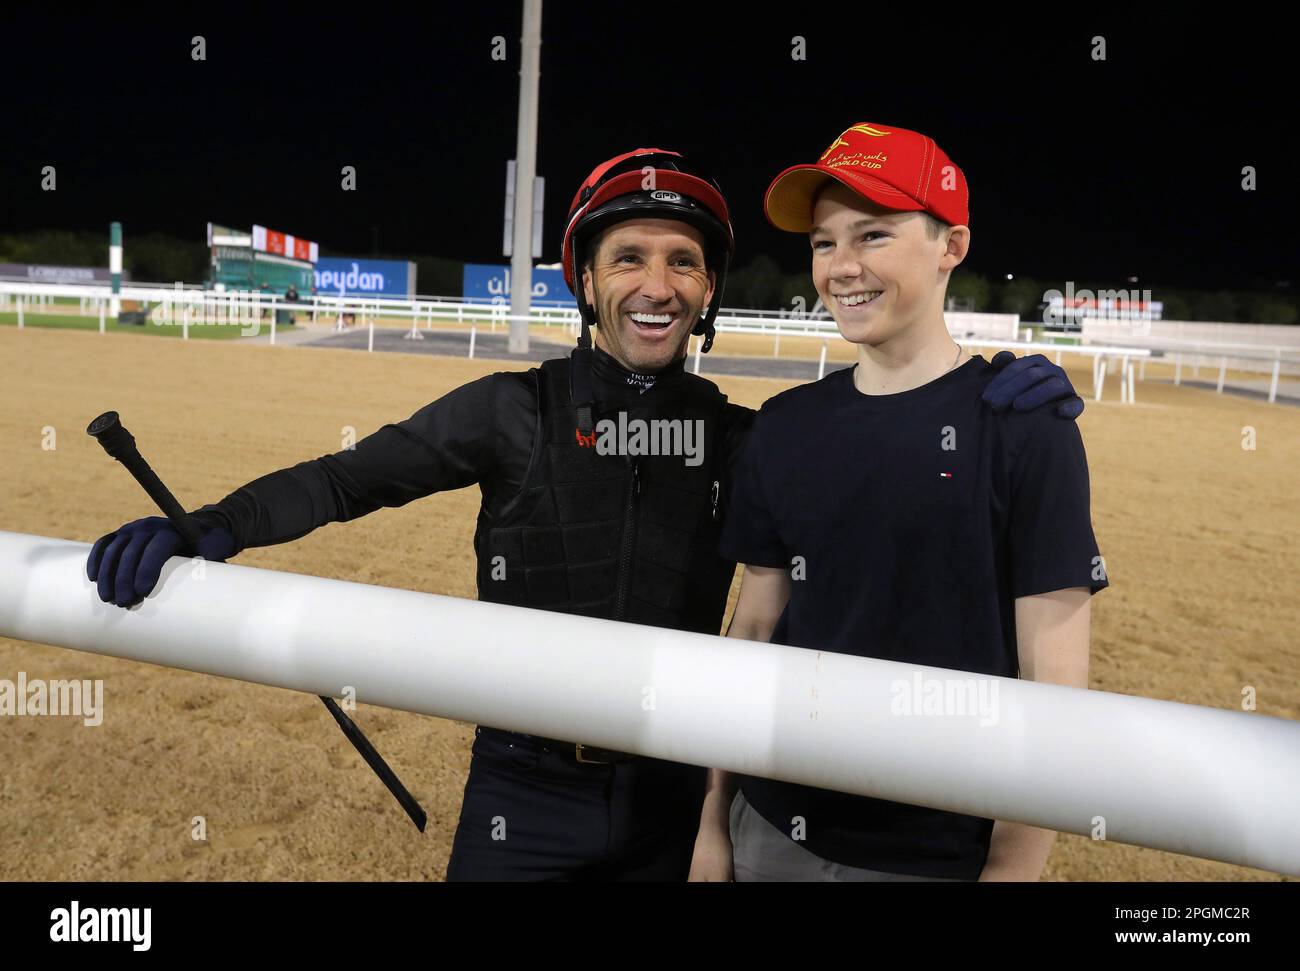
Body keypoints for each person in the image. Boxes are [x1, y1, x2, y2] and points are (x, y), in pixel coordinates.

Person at [86, 147, 1083, 881]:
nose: (658, 285)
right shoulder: (507, 410)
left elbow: (870, 465)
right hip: (524, 796)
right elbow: (348, 479)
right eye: (630, 257)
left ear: (708, 290)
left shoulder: (752, 436)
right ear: (585, 278)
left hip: (676, 800)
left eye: (684, 261)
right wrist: (207, 526)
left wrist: (993, 389)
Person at [689, 122, 1108, 883]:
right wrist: (714, 819)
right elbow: (752, 629)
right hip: (769, 832)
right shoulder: (783, 425)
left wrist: (1011, 871)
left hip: (932, 856)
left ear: (952, 245)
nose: (842, 268)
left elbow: (1054, 686)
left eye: (873, 235)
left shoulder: (1026, 426)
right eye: (823, 243)